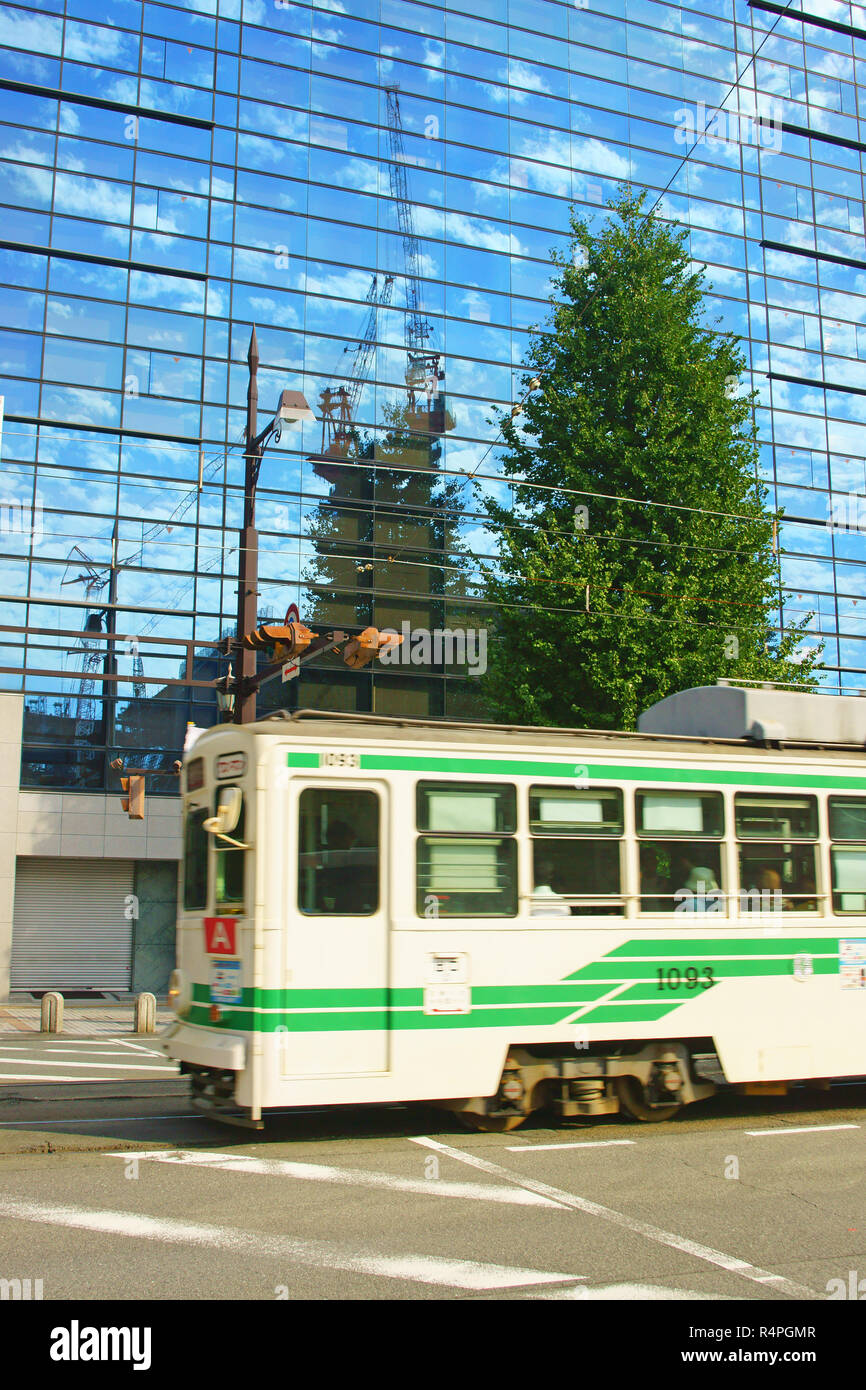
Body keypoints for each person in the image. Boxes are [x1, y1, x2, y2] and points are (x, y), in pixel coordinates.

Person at [639, 847, 669, 911]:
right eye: (648, 859)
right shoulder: (636, 881)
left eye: (653, 859)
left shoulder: (662, 881)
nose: (652, 862)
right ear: (642, 862)